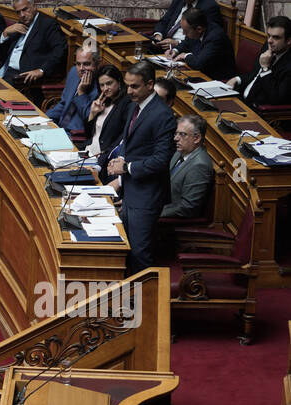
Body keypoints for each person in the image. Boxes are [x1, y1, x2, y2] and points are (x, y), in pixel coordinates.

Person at [102, 61, 175, 274]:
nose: (129, 91)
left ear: (150, 84)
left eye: (134, 86)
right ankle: (128, 299)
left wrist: (127, 166)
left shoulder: (162, 115)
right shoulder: (135, 105)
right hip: (132, 190)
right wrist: (121, 160)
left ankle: (144, 304)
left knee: (140, 253)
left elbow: (161, 160)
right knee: (127, 249)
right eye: (127, 85)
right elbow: (132, 143)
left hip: (147, 195)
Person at [0, 0, 65, 87]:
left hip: (21, 77)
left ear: (34, 6)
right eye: (18, 12)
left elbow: (60, 51)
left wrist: (42, 70)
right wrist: (5, 33)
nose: (22, 15)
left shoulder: (48, 24)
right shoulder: (19, 24)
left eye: (25, 9)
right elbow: (1, 56)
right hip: (4, 70)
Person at [228, 16, 290, 108]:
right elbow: (255, 75)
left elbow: (276, 98)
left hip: (258, 110)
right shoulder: (268, 46)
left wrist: (265, 69)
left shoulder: (288, 65)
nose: (269, 41)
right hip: (241, 98)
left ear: (288, 40)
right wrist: (237, 79)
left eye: (276, 37)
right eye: (268, 36)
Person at [161, 115, 213, 219]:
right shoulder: (180, 152)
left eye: (182, 134)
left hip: (172, 220)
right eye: (176, 133)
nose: (176, 138)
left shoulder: (200, 165)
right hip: (160, 203)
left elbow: (187, 207)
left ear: (196, 138)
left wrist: (152, 212)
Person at [166, 7, 236, 81]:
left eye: (186, 31)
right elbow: (186, 42)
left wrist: (185, 56)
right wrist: (175, 50)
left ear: (199, 29)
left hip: (218, 80)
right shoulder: (197, 28)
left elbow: (198, 64)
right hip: (202, 73)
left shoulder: (215, 37)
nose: (184, 33)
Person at [47, 44, 98, 137]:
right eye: (78, 64)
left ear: (97, 64)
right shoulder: (74, 72)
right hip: (59, 128)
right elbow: (63, 103)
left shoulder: (101, 86)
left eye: (86, 64)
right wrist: (45, 118)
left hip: (75, 136)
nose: (81, 69)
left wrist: (82, 93)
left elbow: (89, 118)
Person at [84, 65, 130, 162]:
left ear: (119, 81)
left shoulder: (126, 104)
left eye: (109, 83)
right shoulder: (101, 101)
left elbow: (120, 140)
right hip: (88, 152)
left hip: (104, 158)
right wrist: (92, 113)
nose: (105, 88)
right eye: (102, 85)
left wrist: (103, 158)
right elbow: (88, 135)